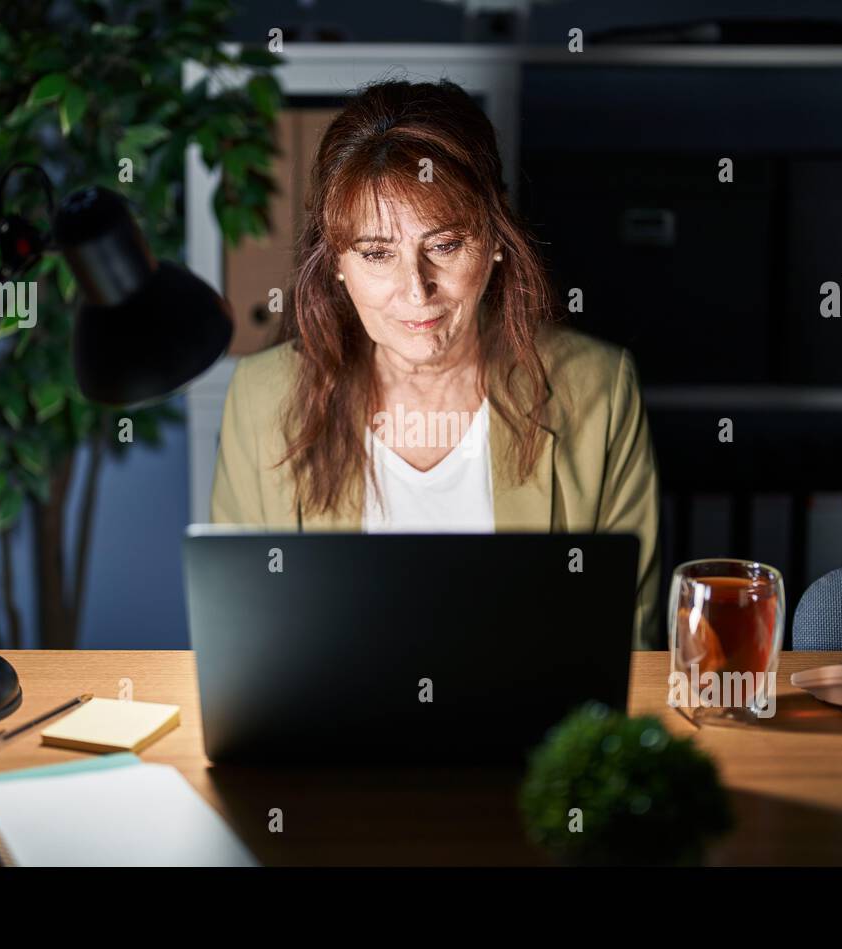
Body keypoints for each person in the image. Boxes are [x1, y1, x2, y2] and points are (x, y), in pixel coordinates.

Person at [211, 79, 662, 648]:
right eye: (377, 253)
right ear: (338, 266)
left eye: (445, 245)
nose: (416, 292)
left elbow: (629, 645)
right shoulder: (260, 397)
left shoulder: (599, 388)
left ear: (496, 240)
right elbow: (245, 644)